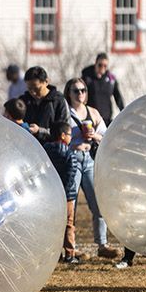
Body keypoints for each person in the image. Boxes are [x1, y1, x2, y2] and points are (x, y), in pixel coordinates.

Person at [64, 78, 118, 260]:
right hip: (71, 159)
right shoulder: (65, 112)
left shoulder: (92, 112)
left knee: (98, 203)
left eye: (83, 90)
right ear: (69, 93)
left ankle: (102, 244)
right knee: (70, 206)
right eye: (76, 91)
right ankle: (70, 248)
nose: (80, 94)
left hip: (88, 160)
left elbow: (106, 135)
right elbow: (60, 135)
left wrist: (94, 135)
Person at [43, 123, 81, 263]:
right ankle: (70, 254)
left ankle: (55, 254)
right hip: (67, 196)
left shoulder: (45, 150)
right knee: (68, 224)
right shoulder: (70, 154)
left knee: (52, 224)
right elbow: (71, 176)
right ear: (63, 136)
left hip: (50, 194)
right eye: (70, 134)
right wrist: (64, 193)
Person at [21, 67, 71, 145]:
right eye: (30, 89)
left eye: (37, 89)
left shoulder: (58, 100)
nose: (33, 93)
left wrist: (39, 131)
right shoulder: (24, 101)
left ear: (46, 82)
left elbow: (65, 130)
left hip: (52, 150)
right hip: (28, 148)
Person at [81, 53, 125, 125]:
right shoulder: (86, 78)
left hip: (106, 119)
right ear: (95, 63)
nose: (102, 68)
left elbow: (118, 98)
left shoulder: (111, 80)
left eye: (105, 66)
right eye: (100, 65)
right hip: (91, 118)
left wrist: (123, 112)